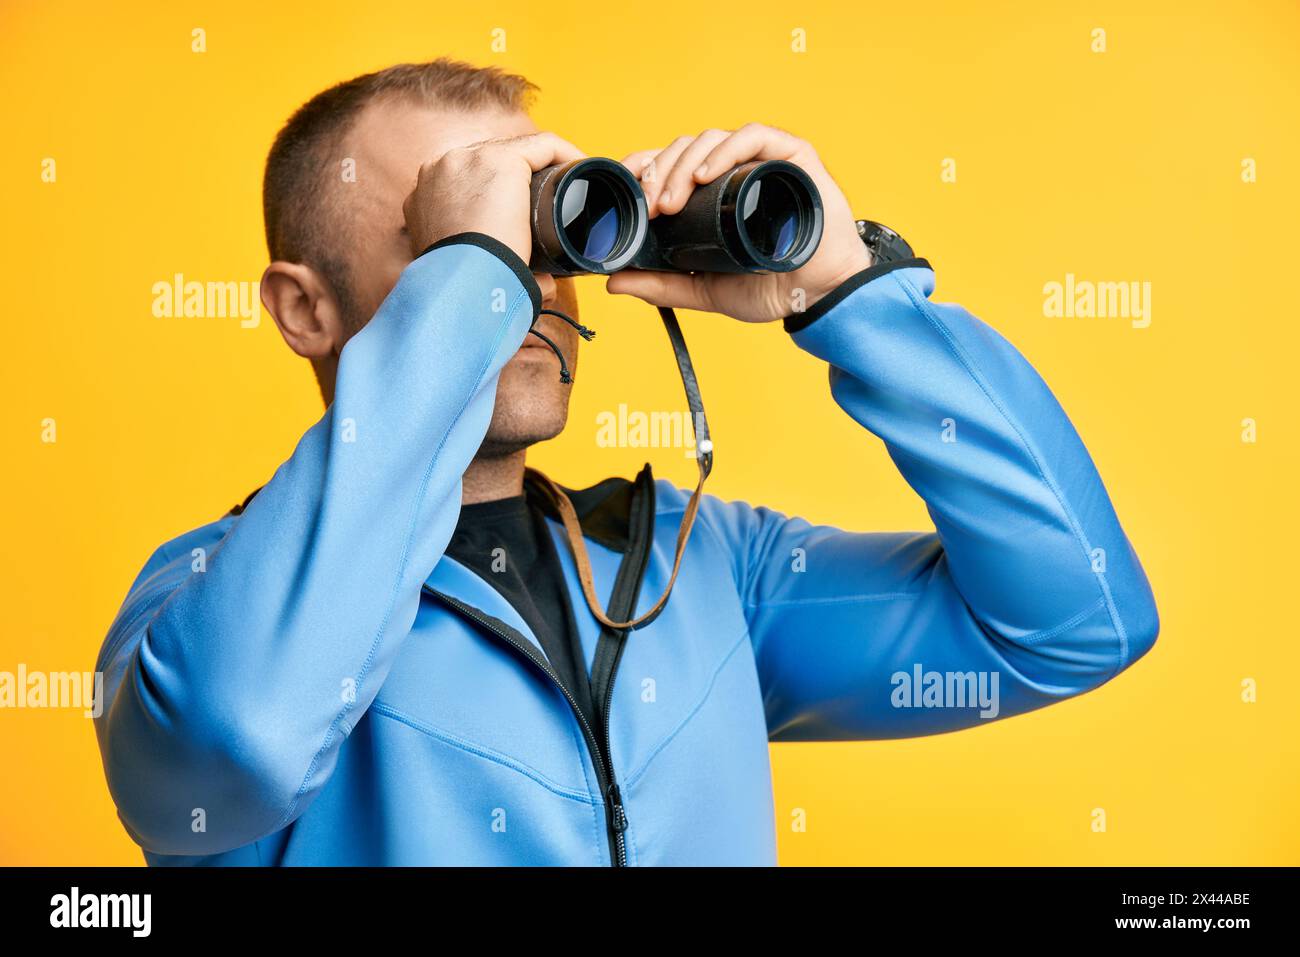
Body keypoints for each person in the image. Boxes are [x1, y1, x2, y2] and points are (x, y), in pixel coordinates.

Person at [93, 58, 1159, 866]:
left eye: (544, 229)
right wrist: (470, 289)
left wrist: (851, 292)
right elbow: (241, 747)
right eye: (455, 238)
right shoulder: (206, 606)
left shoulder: (708, 576)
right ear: (304, 307)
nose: (526, 283)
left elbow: (1077, 623)